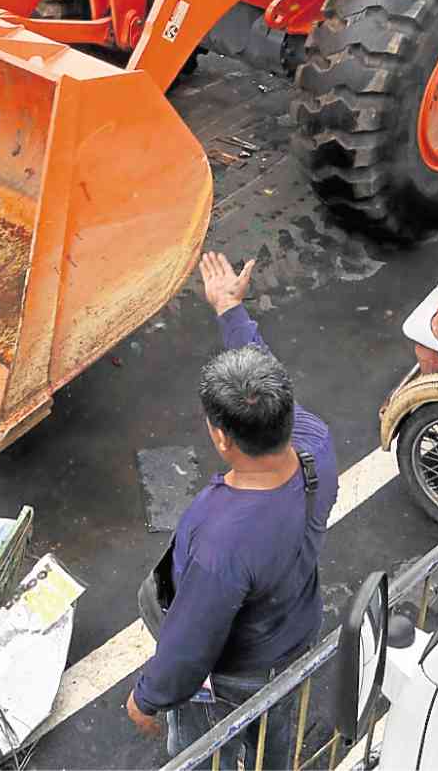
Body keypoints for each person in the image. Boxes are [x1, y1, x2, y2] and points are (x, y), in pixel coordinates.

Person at [126, 252, 340, 762]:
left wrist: (147, 698)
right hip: (292, 636)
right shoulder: (315, 443)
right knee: (276, 739)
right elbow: (268, 379)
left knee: (203, 749)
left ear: (221, 439)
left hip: (236, 673)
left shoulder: (223, 539)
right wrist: (230, 311)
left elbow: (192, 642)